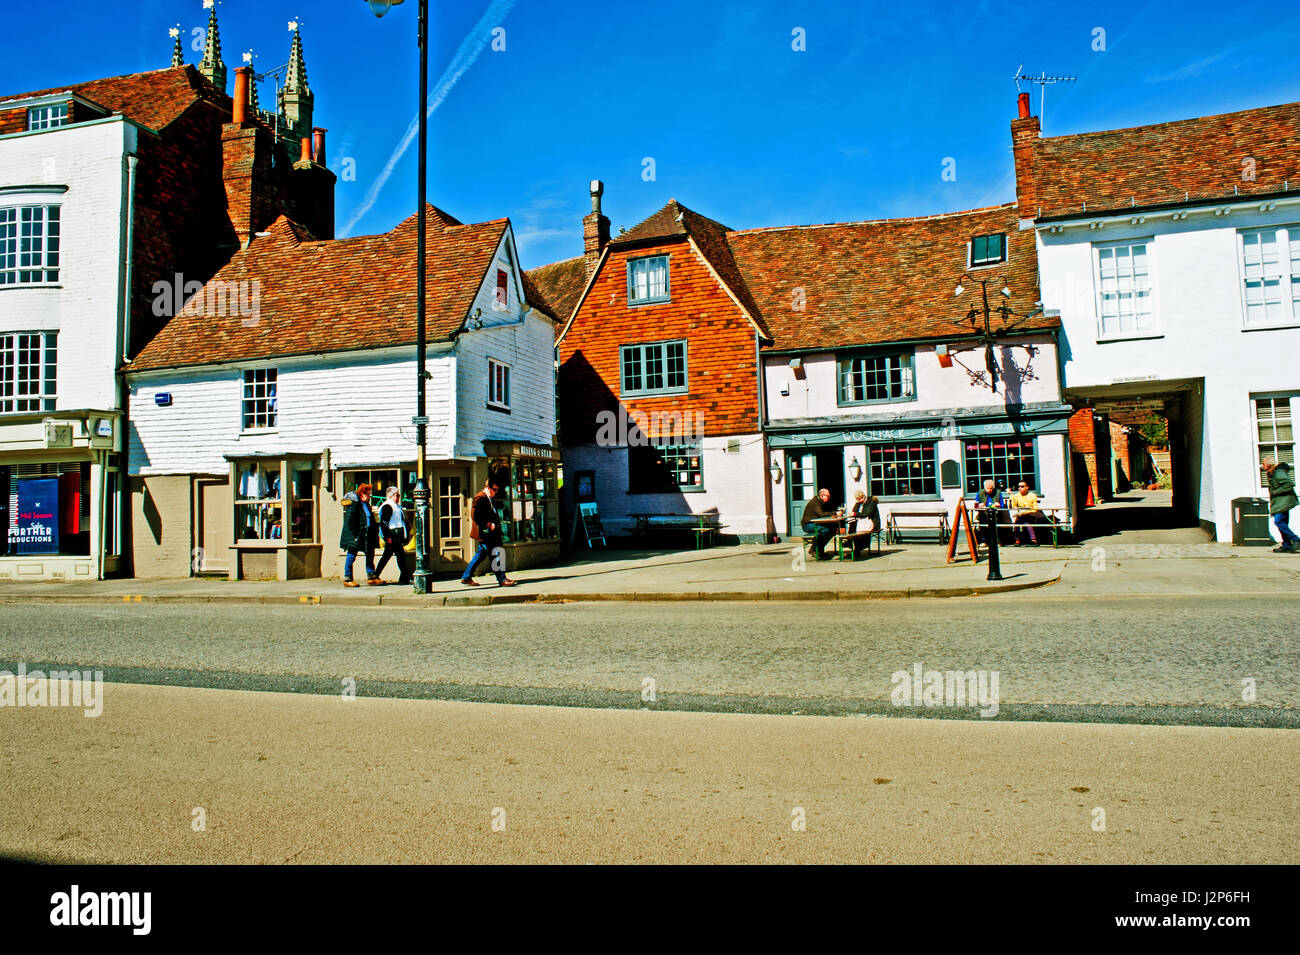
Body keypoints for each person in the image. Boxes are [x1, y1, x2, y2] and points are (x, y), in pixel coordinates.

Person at [461, 481, 518, 587]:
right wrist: (488, 524)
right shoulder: (480, 497)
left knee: (480, 556)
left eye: (497, 490)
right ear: (488, 487)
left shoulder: (488, 498)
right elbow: (475, 515)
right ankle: (502, 579)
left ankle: (466, 577)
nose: (496, 492)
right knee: (494, 555)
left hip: (489, 534)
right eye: (494, 489)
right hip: (485, 534)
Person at [340, 483, 383, 587]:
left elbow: (368, 518)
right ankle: (348, 578)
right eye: (368, 494)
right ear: (362, 494)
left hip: (366, 534)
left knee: (370, 553)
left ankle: (371, 576)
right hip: (356, 535)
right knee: (351, 555)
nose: (369, 497)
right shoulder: (355, 505)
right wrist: (354, 536)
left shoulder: (366, 505)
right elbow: (350, 521)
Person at [374, 486, 412, 585]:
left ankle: (403, 577)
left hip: (396, 535)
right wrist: (388, 537)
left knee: (396, 556)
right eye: (397, 495)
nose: (399, 497)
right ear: (391, 496)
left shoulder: (395, 506)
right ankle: (403, 577)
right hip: (392, 535)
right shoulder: (388, 506)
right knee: (394, 556)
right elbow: (384, 523)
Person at [1263, 456, 1299, 553]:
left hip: (1283, 502)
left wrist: (1276, 492)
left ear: (1269, 465)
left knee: (1278, 521)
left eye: (1264, 464)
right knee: (1283, 523)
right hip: (1281, 502)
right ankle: (1287, 545)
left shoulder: (1278, 472)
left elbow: (1289, 484)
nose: (1263, 466)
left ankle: (1296, 540)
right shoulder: (1273, 473)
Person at [800, 488, 837, 560]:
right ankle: (815, 549)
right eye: (828, 496)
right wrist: (834, 513)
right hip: (808, 524)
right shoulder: (815, 502)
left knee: (832, 530)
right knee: (824, 530)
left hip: (815, 523)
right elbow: (821, 514)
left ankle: (819, 550)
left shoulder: (821, 502)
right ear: (822, 496)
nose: (829, 497)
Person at [846, 489, 880, 557]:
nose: (858, 501)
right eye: (857, 499)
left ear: (863, 497)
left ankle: (857, 548)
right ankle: (851, 542)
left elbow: (866, 514)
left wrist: (855, 513)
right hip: (862, 523)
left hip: (871, 523)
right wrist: (854, 512)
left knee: (858, 529)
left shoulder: (871, 502)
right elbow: (854, 511)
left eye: (859, 499)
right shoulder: (859, 503)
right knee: (852, 524)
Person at [1009, 481, 1045, 545]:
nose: (1020, 488)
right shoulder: (1016, 496)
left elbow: (1035, 509)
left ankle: (1033, 539)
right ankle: (1017, 540)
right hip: (1021, 514)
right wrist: (1011, 495)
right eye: (1019, 487)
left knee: (1028, 523)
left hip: (1030, 514)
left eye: (1022, 486)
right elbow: (1013, 506)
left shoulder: (1032, 495)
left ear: (1027, 487)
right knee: (1016, 524)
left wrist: (1025, 512)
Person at [973, 479, 1007, 547]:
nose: (989, 490)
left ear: (993, 487)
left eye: (990, 488)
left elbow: (1002, 505)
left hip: (996, 514)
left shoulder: (998, 492)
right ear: (984, 487)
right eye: (987, 488)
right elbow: (976, 505)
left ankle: (998, 541)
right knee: (982, 521)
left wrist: (999, 505)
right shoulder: (980, 492)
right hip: (983, 514)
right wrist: (979, 505)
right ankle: (984, 541)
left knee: (997, 523)